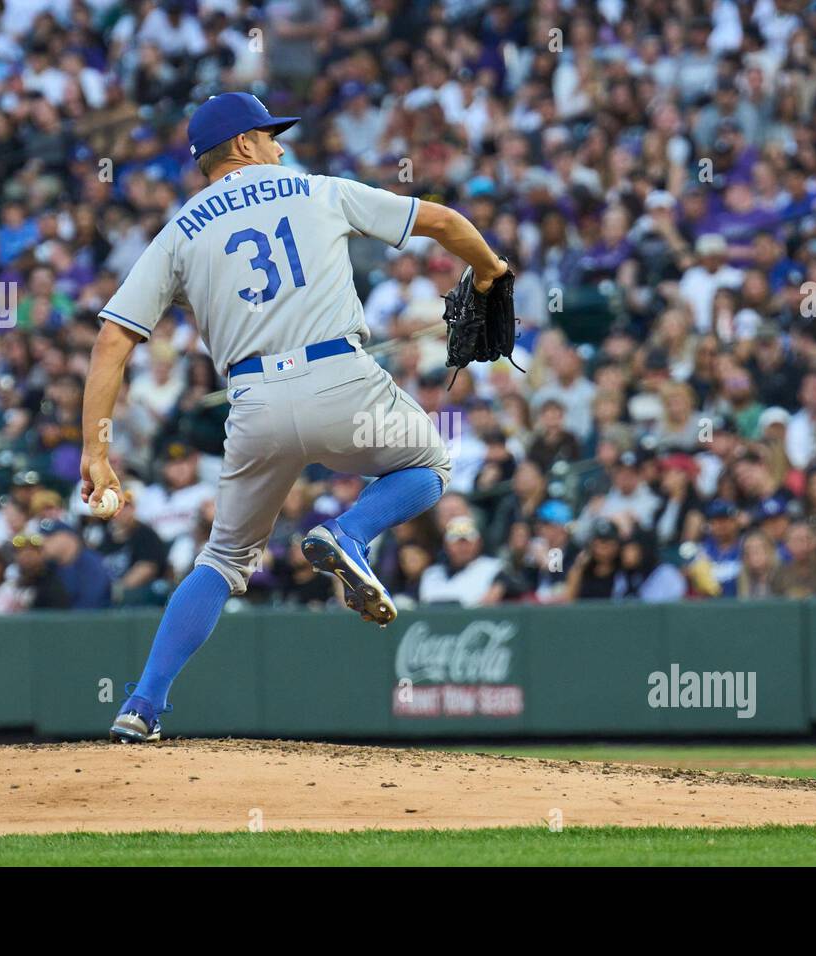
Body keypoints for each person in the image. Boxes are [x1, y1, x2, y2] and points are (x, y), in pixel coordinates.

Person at [82, 93, 507, 742]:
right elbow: (444, 224)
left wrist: (97, 450)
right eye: (270, 135)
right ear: (246, 144)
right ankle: (352, 532)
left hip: (253, 406)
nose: (280, 145)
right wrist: (490, 270)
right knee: (430, 463)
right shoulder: (316, 190)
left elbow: (113, 338)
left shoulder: (181, 230)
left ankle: (141, 705)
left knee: (223, 560)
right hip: (342, 382)